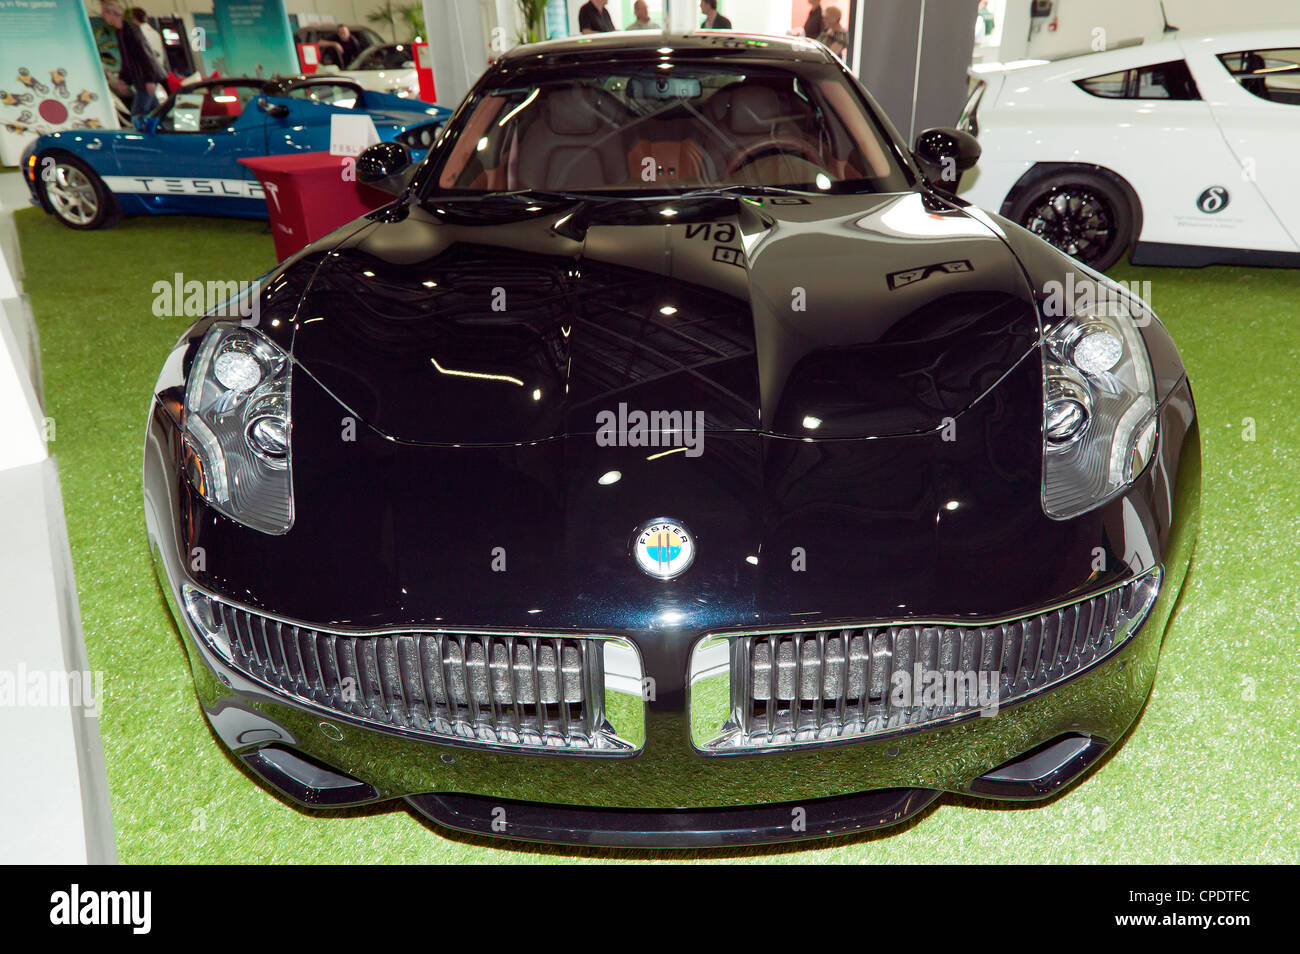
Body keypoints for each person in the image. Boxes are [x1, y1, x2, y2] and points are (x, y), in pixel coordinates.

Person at [100, 0, 166, 118]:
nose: (102, 16)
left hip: (144, 80)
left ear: (111, 13)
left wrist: (149, 79)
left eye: (104, 13)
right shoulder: (121, 32)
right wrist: (123, 79)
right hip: (141, 80)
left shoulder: (130, 29)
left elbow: (144, 55)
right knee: (155, 113)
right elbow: (127, 60)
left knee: (138, 114)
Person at [131, 7, 168, 75]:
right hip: (160, 69)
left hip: (151, 72)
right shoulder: (155, 33)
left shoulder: (140, 34)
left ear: (134, 19)